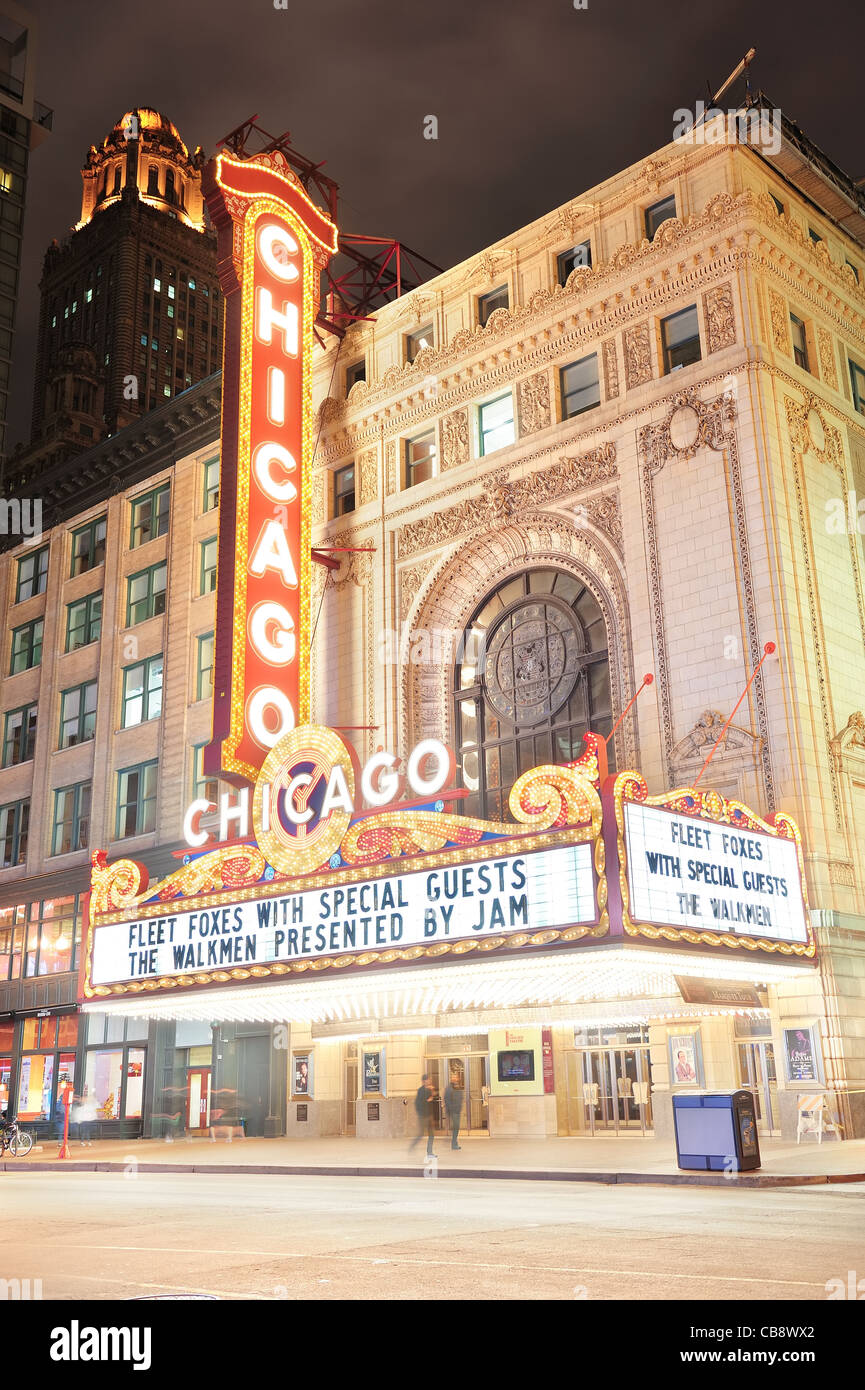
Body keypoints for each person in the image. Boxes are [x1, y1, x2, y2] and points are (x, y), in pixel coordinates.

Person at [410, 1074, 436, 1156]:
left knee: (431, 1134)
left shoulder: (428, 1090)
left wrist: (432, 1092)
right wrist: (427, 1100)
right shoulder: (420, 1090)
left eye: (430, 1080)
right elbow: (418, 1103)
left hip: (429, 1115)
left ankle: (429, 1152)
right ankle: (412, 1146)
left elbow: (432, 1097)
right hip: (423, 1116)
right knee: (421, 1134)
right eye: (428, 1080)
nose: (430, 1081)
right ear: (424, 1081)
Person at [443, 1071, 463, 1150]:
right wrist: (452, 1110)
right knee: (456, 1127)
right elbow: (447, 1099)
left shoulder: (457, 1087)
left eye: (456, 1077)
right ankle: (454, 1144)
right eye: (453, 1077)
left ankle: (455, 1143)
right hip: (453, 1111)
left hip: (457, 1110)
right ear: (451, 1078)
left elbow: (460, 1097)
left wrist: (459, 1106)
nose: (455, 1078)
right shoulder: (449, 1088)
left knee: (456, 1127)